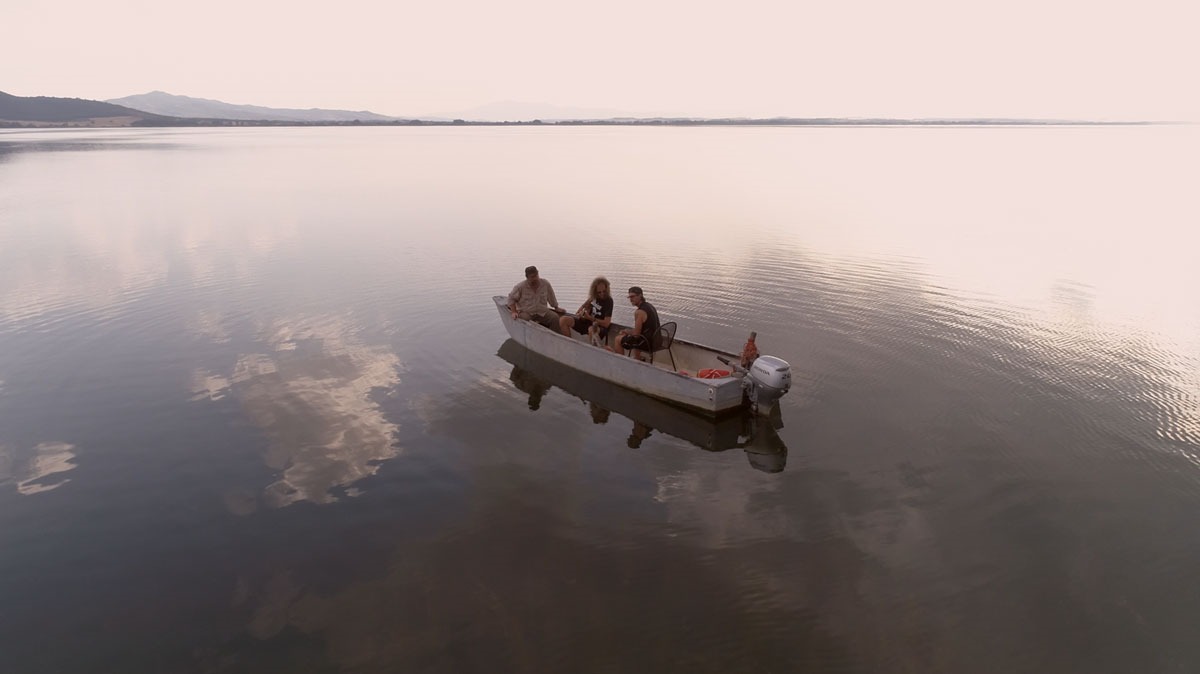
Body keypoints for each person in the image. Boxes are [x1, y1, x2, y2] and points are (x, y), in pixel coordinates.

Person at [558, 276, 614, 344]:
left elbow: (606, 324)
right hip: (586, 323)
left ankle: (592, 350)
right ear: (595, 291)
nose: (602, 294)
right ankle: (568, 343)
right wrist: (581, 314)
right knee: (563, 319)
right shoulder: (592, 298)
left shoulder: (609, 301)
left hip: (599, 327)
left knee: (591, 330)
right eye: (599, 292)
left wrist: (590, 318)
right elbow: (579, 311)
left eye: (604, 291)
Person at [610, 286, 660, 361]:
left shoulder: (639, 312)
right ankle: (638, 358)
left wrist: (627, 332)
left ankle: (620, 363)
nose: (630, 299)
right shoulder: (650, 306)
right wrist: (628, 332)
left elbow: (636, 335)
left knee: (618, 339)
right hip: (657, 341)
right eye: (629, 297)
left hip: (647, 343)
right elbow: (641, 330)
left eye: (632, 297)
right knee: (632, 336)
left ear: (640, 296)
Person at [506, 265, 563, 330]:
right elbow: (511, 299)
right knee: (525, 319)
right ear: (527, 277)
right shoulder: (520, 287)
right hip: (527, 312)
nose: (535, 278)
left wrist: (556, 307)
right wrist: (514, 312)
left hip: (542, 312)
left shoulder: (545, 283)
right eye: (532, 277)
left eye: (536, 276)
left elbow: (551, 296)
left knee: (555, 317)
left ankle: (554, 336)